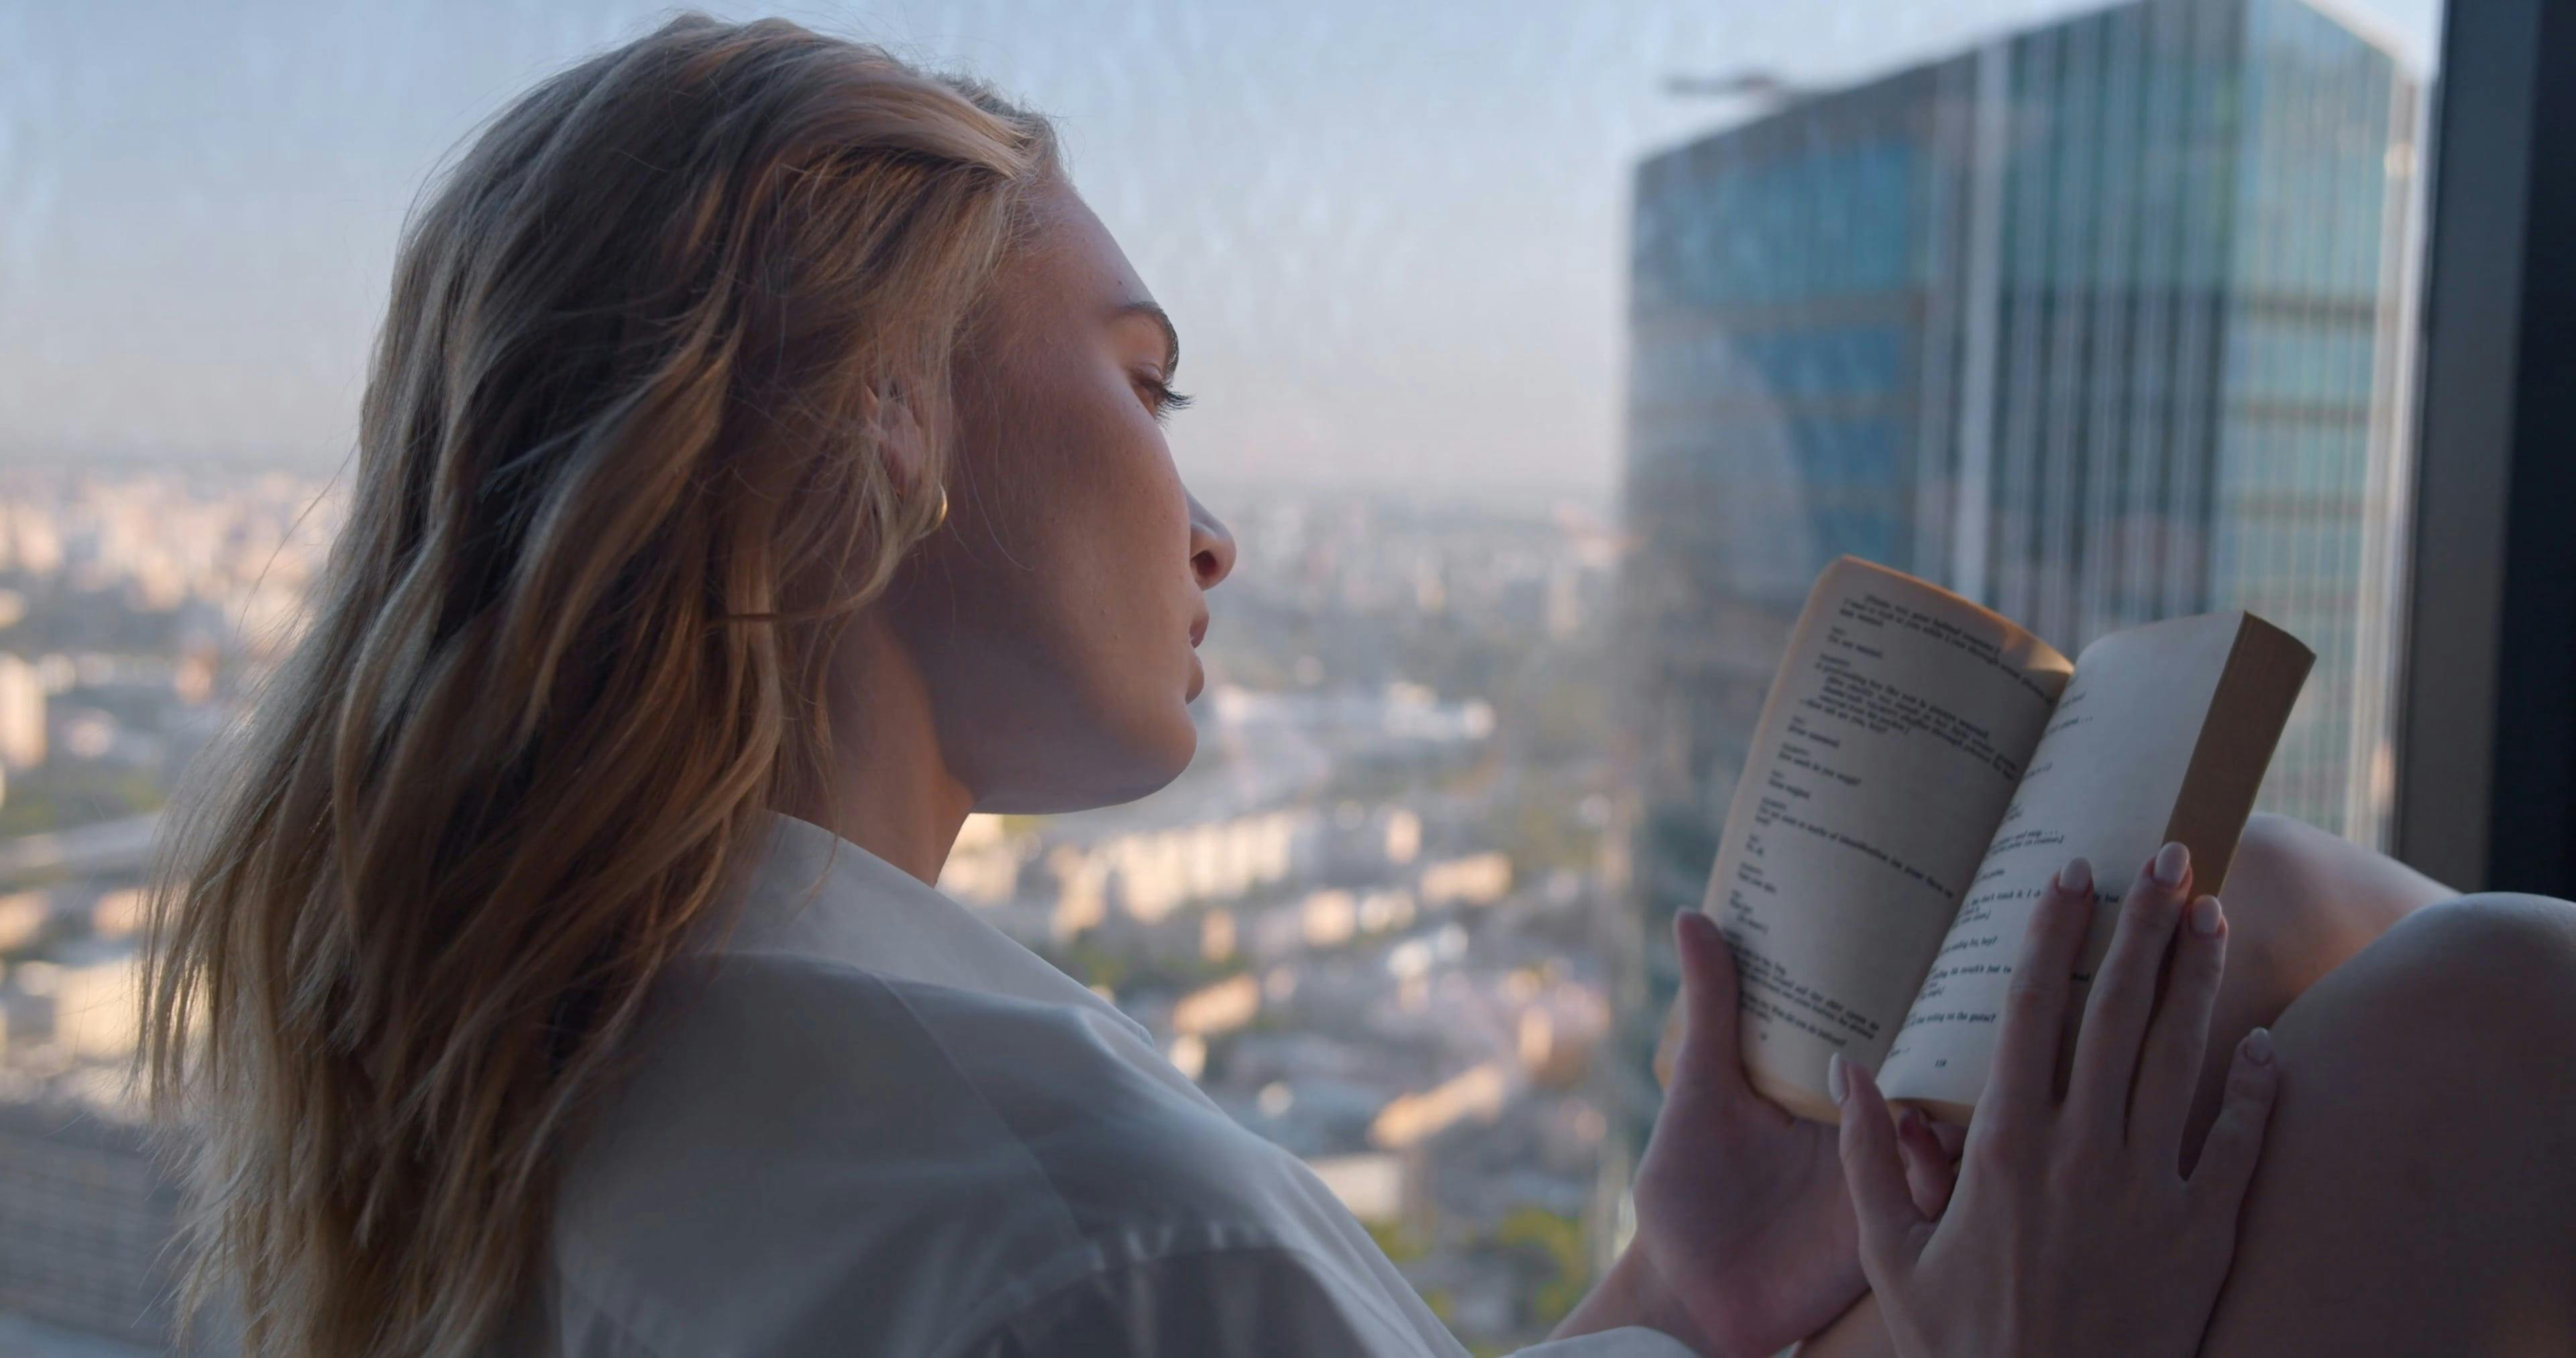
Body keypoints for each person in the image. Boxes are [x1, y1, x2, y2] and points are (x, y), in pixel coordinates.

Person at [136, 15, 2576, 1357]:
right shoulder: (1085, 1252)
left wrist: (1661, 1294)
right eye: (1144, 374)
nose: (1208, 521)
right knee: (2498, 1010)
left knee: (2242, 901)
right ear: (854, 406)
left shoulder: (583, 1082)